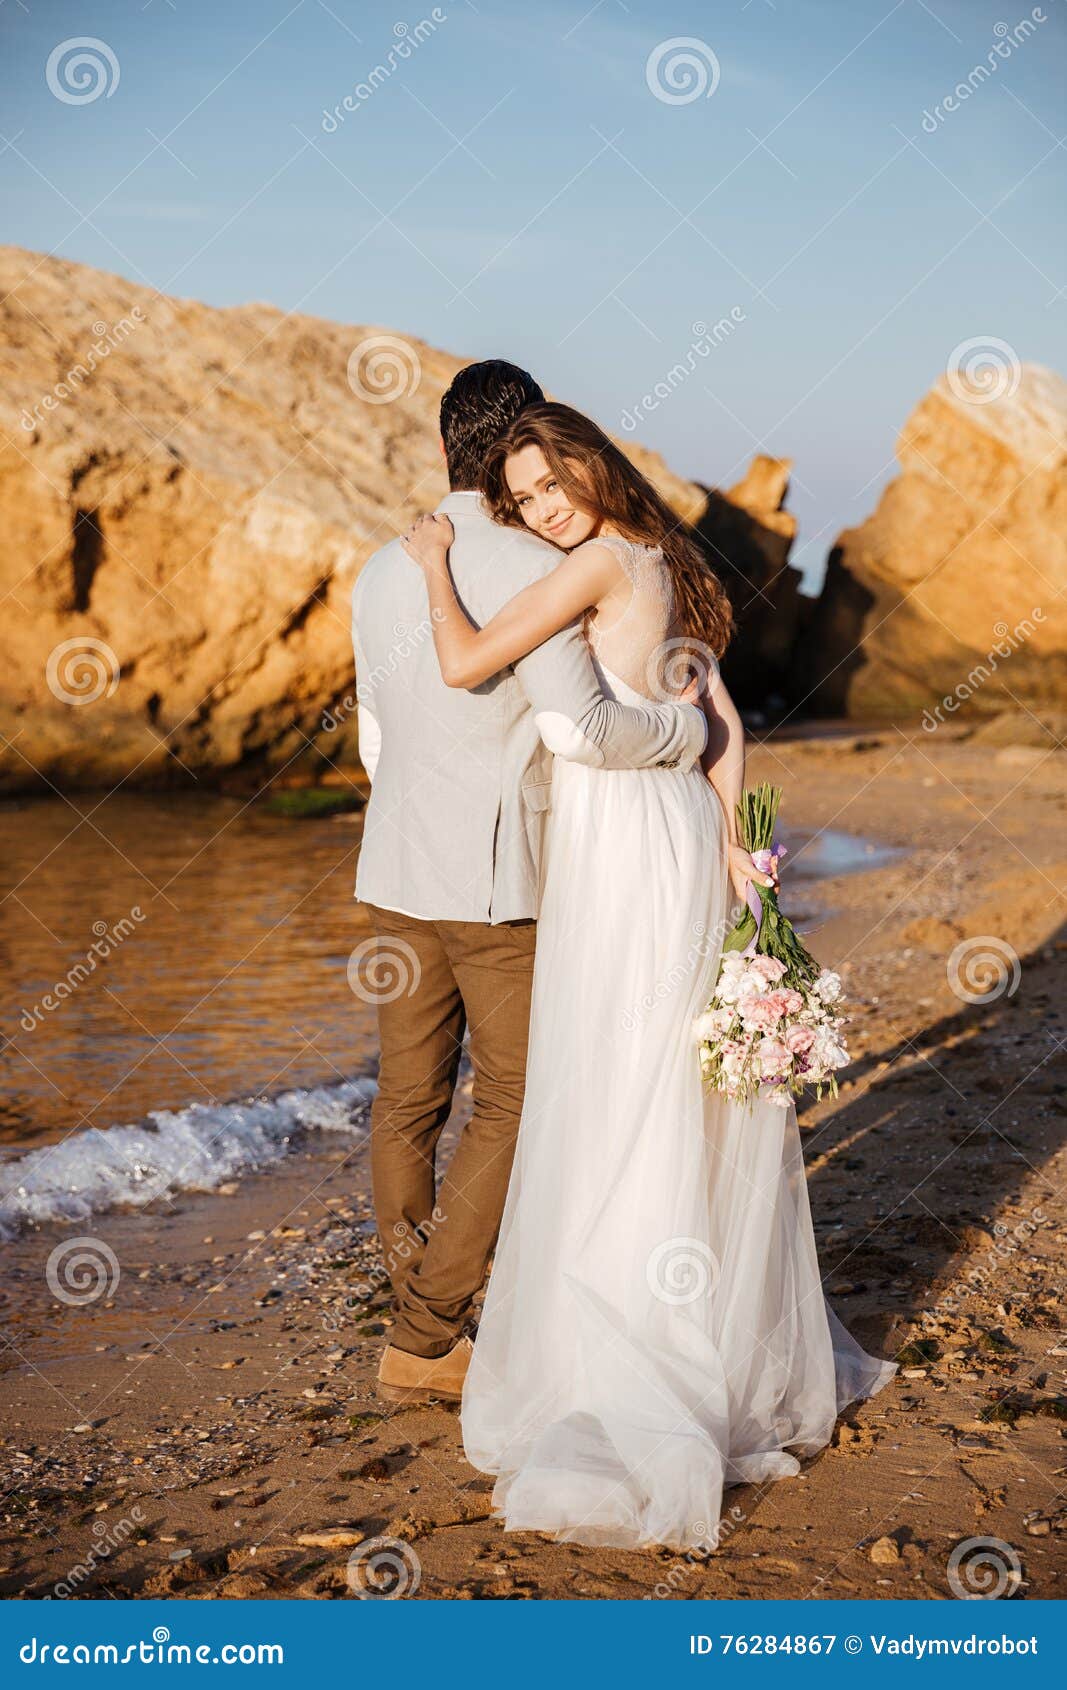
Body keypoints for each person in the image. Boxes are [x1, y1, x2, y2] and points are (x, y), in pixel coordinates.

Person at [401, 400, 895, 1551]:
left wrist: (434, 563)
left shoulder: (597, 566)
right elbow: (715, 711)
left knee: (619, 1077)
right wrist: (731, 841)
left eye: (551, 482)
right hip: (668, 832)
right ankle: (703, 1326)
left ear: (588, 464)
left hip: (624, 839)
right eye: (522, 499)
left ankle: (633, 1351)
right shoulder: (662, 558)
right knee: (666, 1079)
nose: (543, 507)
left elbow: (466, 656)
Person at [350, 364, 711, 1407]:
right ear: (530, 442)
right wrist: (685, 730)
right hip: (495, 877)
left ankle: (418, 1307)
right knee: (511, 1094)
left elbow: (375, 737)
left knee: (407, 1097)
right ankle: (423, 1333)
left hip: (394, 865)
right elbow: (579, 728)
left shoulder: (382, 565)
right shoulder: (530, 559)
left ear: (440, 445)